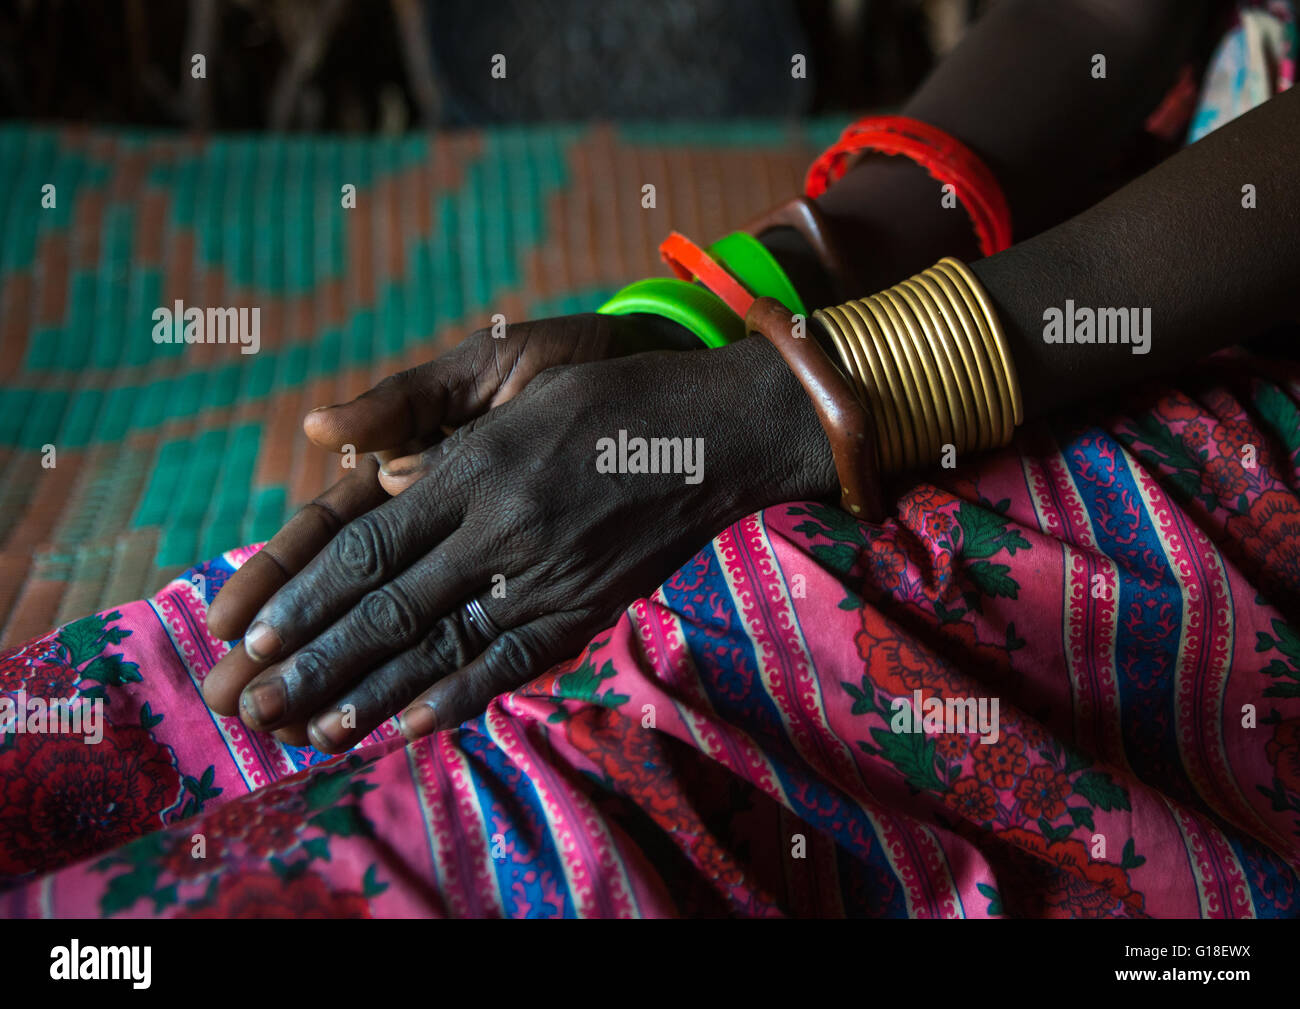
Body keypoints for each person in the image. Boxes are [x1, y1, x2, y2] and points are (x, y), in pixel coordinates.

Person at [2, 0, 1298, 917]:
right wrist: (701, 327)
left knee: (718, 670)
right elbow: (1103, 16)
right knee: (235, 681)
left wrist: (805, 403)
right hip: (1113, 259)